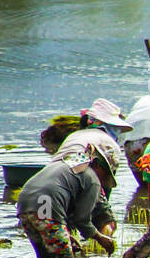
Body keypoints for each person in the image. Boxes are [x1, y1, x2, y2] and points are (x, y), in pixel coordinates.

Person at [16, 148, 118, 258]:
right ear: (97, 165)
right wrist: (100, 238)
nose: (103, 179)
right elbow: (81, 220)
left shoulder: (65, 163)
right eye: (106, 173)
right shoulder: (92, 178)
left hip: (24, 205)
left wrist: (65, 235)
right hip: (46, 208)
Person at [51, 99, 132, 238]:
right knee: (106, 221)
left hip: (53, 180)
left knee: (60, 228)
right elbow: (105, 185)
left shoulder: (74, 136)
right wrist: (104, 217)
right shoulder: (109, 143)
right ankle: (100, 249)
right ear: (110, 126)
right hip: (80, 178)